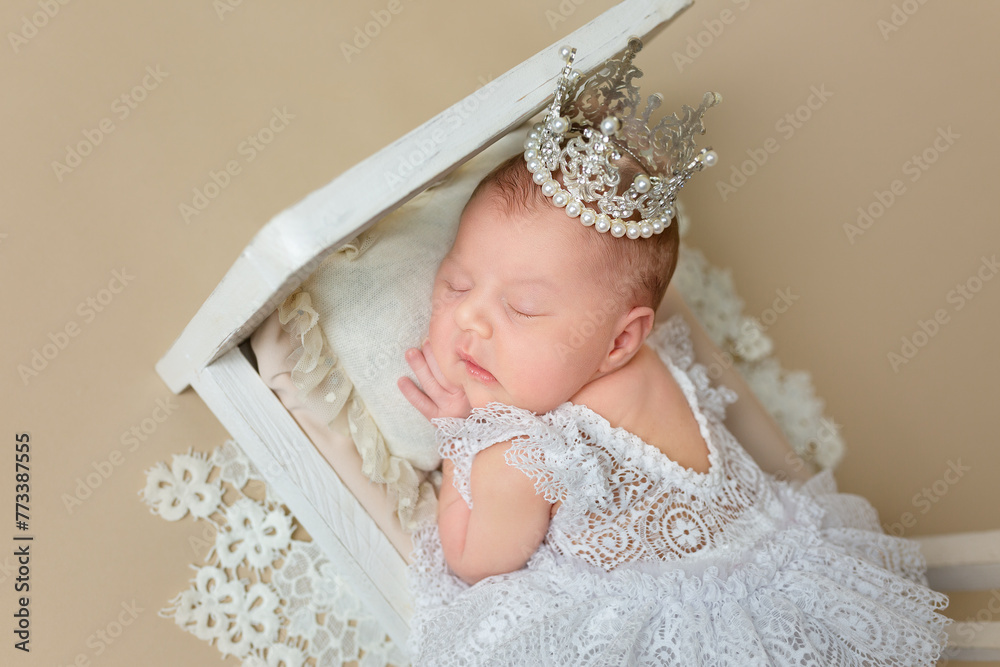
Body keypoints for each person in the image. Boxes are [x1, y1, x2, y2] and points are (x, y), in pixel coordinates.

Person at [395, 40, 950, 666]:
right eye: (456, 284)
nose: (469, 317)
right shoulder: (659, 370)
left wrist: (458, 436)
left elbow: (473, 563)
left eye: (521, 309)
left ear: (619, 341)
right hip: (796, 583)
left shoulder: (531, 455)